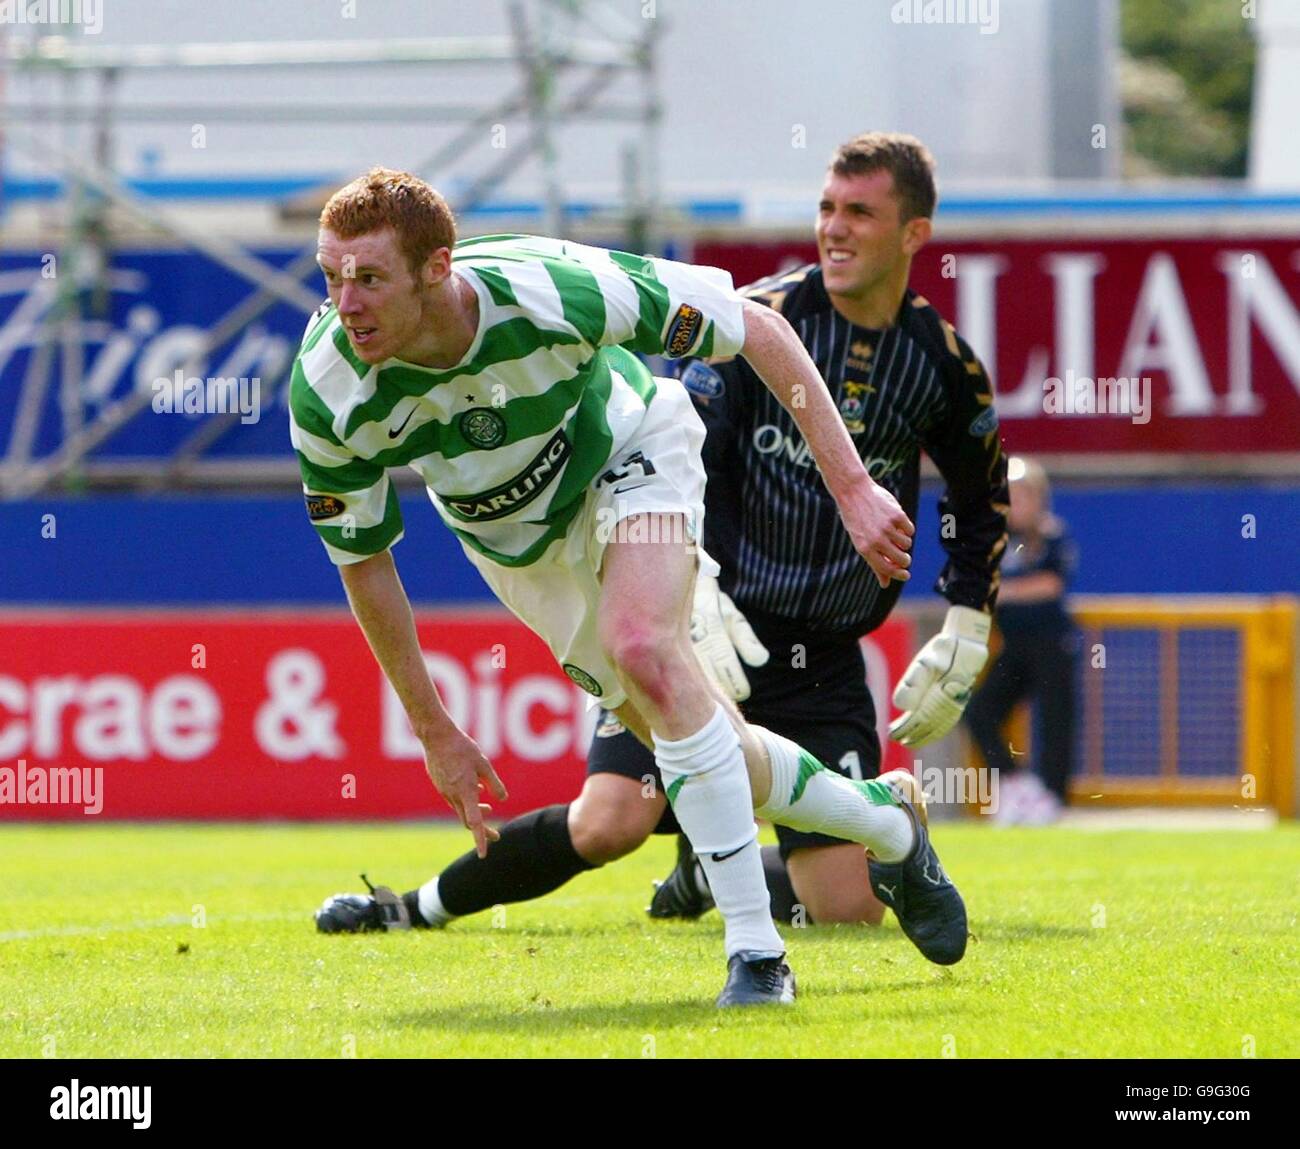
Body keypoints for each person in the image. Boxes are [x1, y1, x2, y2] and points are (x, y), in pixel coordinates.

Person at [314, 136, 1005, 960]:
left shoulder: (549, 285)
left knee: (648, 653)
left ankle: (754, 953)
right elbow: (362, 558)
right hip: (550, 553)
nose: (344, 304)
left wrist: (934, 577)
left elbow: (758, 334)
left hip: (643, 469)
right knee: (647, 792)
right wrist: (434, 728)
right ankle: (880, 821)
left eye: (367, 279)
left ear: (435, 268)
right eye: (330, 276)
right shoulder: (327, 387)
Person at [964, 456, 1079, 824]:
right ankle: (1015, 784)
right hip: (1012, 647)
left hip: (1051, 644)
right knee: (980, 711)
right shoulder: (997, 541)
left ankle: (1051, 798)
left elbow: (1050, 585)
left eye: (1024, 495)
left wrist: (1004, 592)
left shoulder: (1052, 536)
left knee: (1056, 722)